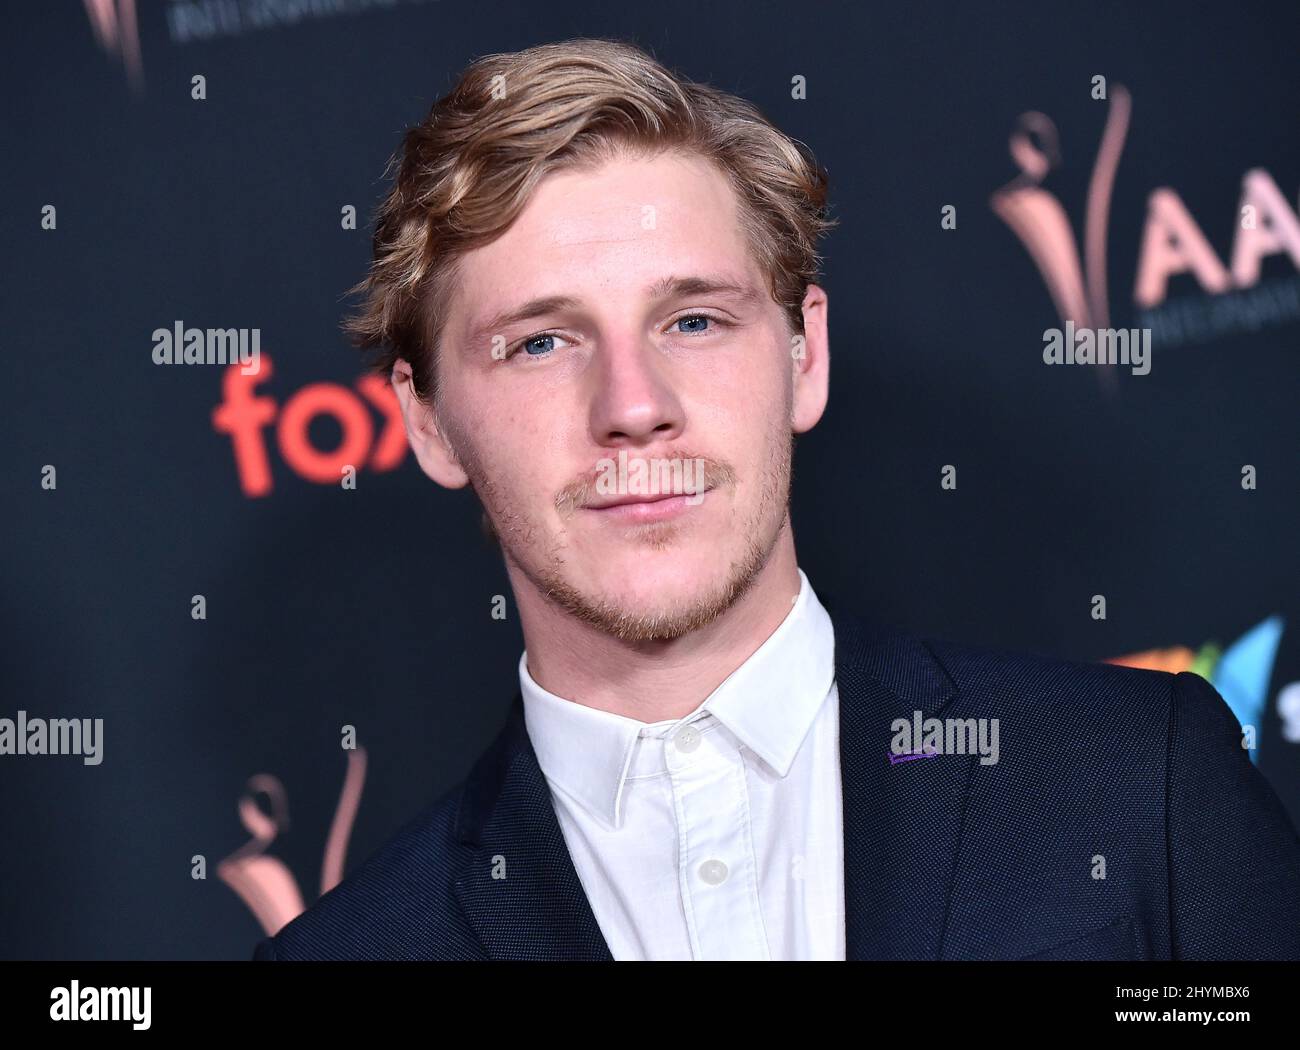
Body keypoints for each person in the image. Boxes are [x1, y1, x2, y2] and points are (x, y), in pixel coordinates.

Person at [253, 37, 1300, 961]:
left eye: (694, 322)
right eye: (540, 343)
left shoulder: (1135, 780)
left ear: (806, 357)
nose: (633, 406)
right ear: (429, 423)